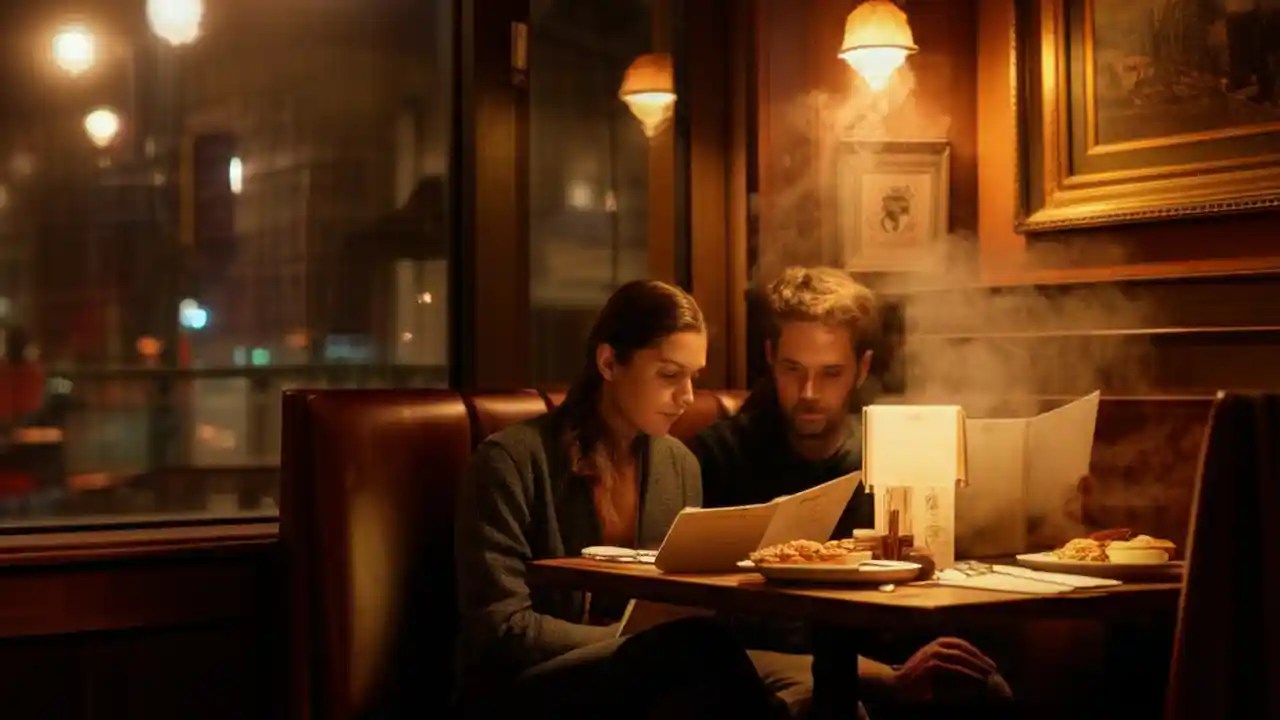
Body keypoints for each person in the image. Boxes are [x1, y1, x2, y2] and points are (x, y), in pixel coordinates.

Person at [453, 280, 810, 719]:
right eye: (668, 375)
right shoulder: (510, 462)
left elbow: (685, 602)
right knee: (697, 650)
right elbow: (501, 630)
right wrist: (639, 637)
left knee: (818, 682)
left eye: (693, 376)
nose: (687, 397)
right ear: (608, 362)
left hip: (654, 672)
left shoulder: (678, 465)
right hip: (527, 686)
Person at [692, 266, 1010, 717]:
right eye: (792, 369)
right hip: (769, 661)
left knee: (986, 690)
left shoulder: (888, 451)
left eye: (830, 373)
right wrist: (885, 679)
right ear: (769, 356)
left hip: (883, 649)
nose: (808, 392)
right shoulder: (720, 456)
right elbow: (721, 621)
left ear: (861, 368)